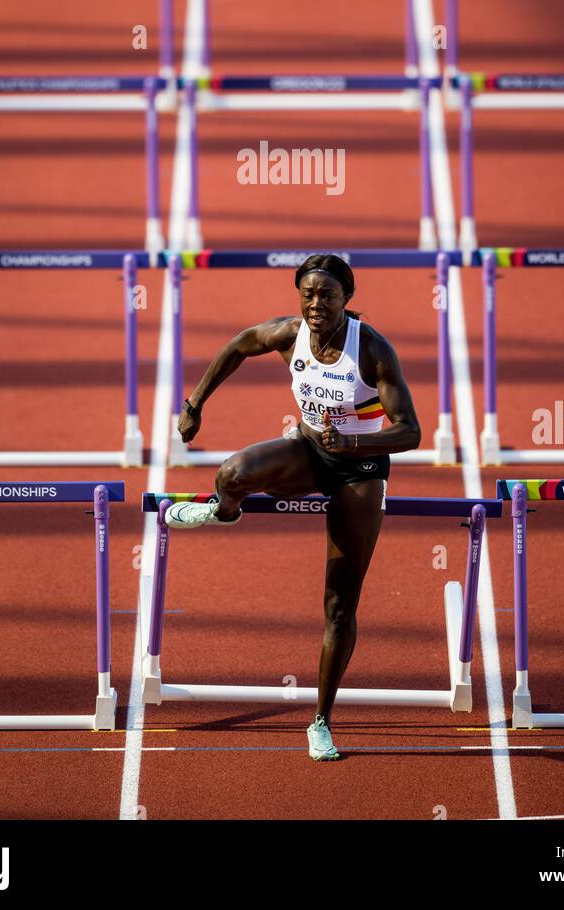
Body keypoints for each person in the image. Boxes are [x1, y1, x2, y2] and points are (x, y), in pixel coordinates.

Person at [168, 253, 421, 760]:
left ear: (346, 299)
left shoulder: (371, 349)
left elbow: (410, 431)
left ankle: (321, 721)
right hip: (309, 451)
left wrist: (353, 446)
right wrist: (194, 404)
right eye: (307, 294)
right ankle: (223, 512)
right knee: (231, 475)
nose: (315, 303)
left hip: (360, 470)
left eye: (326, 294)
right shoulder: (290, 334)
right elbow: (239, 345)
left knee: (339, 604)